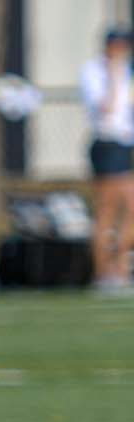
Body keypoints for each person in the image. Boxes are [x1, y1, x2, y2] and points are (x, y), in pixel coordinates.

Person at [81, 25, 134, 292]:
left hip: (124, 144)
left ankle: (120, 269)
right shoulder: (94, 71)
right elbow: (106, 107)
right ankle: (103, 273)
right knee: (106, 210)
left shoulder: (127, 71)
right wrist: (113, 75)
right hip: (106, 143)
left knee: (129, 210)